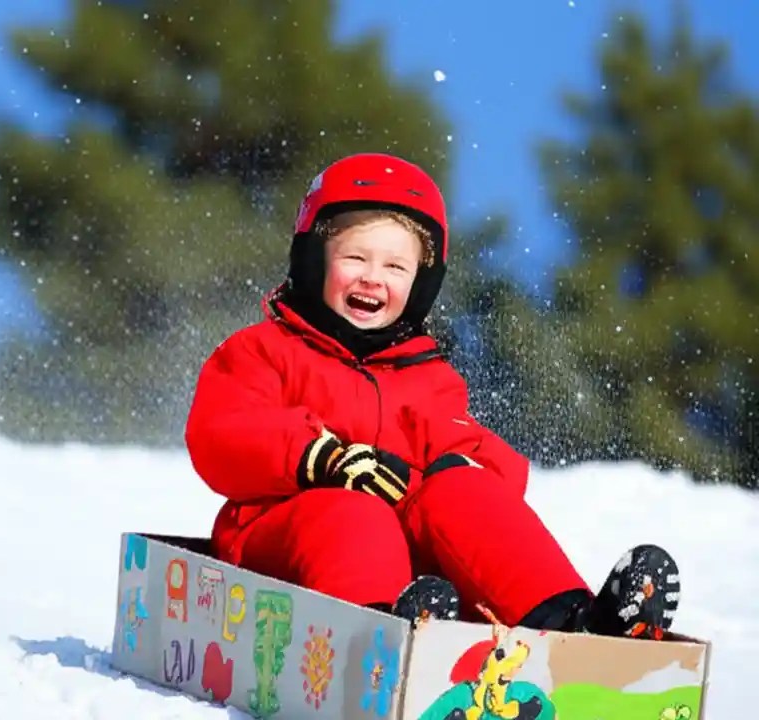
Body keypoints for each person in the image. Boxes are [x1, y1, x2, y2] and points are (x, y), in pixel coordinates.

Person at [183, 152, 680, 639]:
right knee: (355, 512)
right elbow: (222, 432)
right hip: (281, 546)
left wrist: (464, 475)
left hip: (413, 581)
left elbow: (471, 455)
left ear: (420, 284)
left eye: (396, 267)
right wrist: (322, 458)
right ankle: (378, 639)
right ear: (314, 262)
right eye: (354, 257)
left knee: (463, 493)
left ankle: (572, 625)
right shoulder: (264, 350)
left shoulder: (428, 378)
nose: (373, 277)